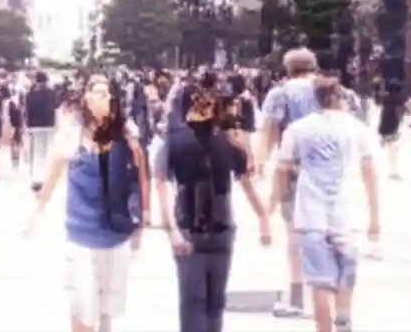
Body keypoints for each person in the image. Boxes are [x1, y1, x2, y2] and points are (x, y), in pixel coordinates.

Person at [26, 77, 148, 332]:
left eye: (108, 93)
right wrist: (38, 210)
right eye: (98, 92)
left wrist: (141, 221)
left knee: (107, 308)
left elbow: (138, 178)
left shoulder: (127, 132)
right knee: (83, 303)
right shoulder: (73, 132)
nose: (103, 98)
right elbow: (54, 172)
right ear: (86, 98)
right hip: (81, 231)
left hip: (116, 232)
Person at [155, 82, 271, 332]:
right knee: (215, 303)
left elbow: (161, 186)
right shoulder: (228, 142)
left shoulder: (173, 143)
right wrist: (263, 219)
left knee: (192, 303)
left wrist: (171, 229)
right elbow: (247, 184)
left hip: (188, 226)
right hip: (223, 227)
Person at [273, 77, 380, 332]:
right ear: (340, 97)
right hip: (347, 212)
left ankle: (324, 327)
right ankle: (343, 316)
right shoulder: (357, 128)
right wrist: (375, 214)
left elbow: (283, 168)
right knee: (346, 271)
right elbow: (369, 171)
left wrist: (276, 201)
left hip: (310, 213)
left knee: (320, 282)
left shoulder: (298, 129)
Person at [258, 47, 321, 318]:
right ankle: (325, 297)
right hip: (327, 169)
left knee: (294, 234)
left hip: (293, 168)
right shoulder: (329, 90)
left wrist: (260, 162)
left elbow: (269, 130)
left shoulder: (280, 93)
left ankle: (297, 298)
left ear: (288, 68)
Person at [26, 71, 59, 192]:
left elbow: (28, 112)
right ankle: (47, 177)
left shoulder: (30, 94)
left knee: (38, 153)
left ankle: (37, 179)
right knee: (49, 151)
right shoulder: (51, 93)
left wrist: (28, 127)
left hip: (35, 126)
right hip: (49, 124)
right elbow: (56, 109)